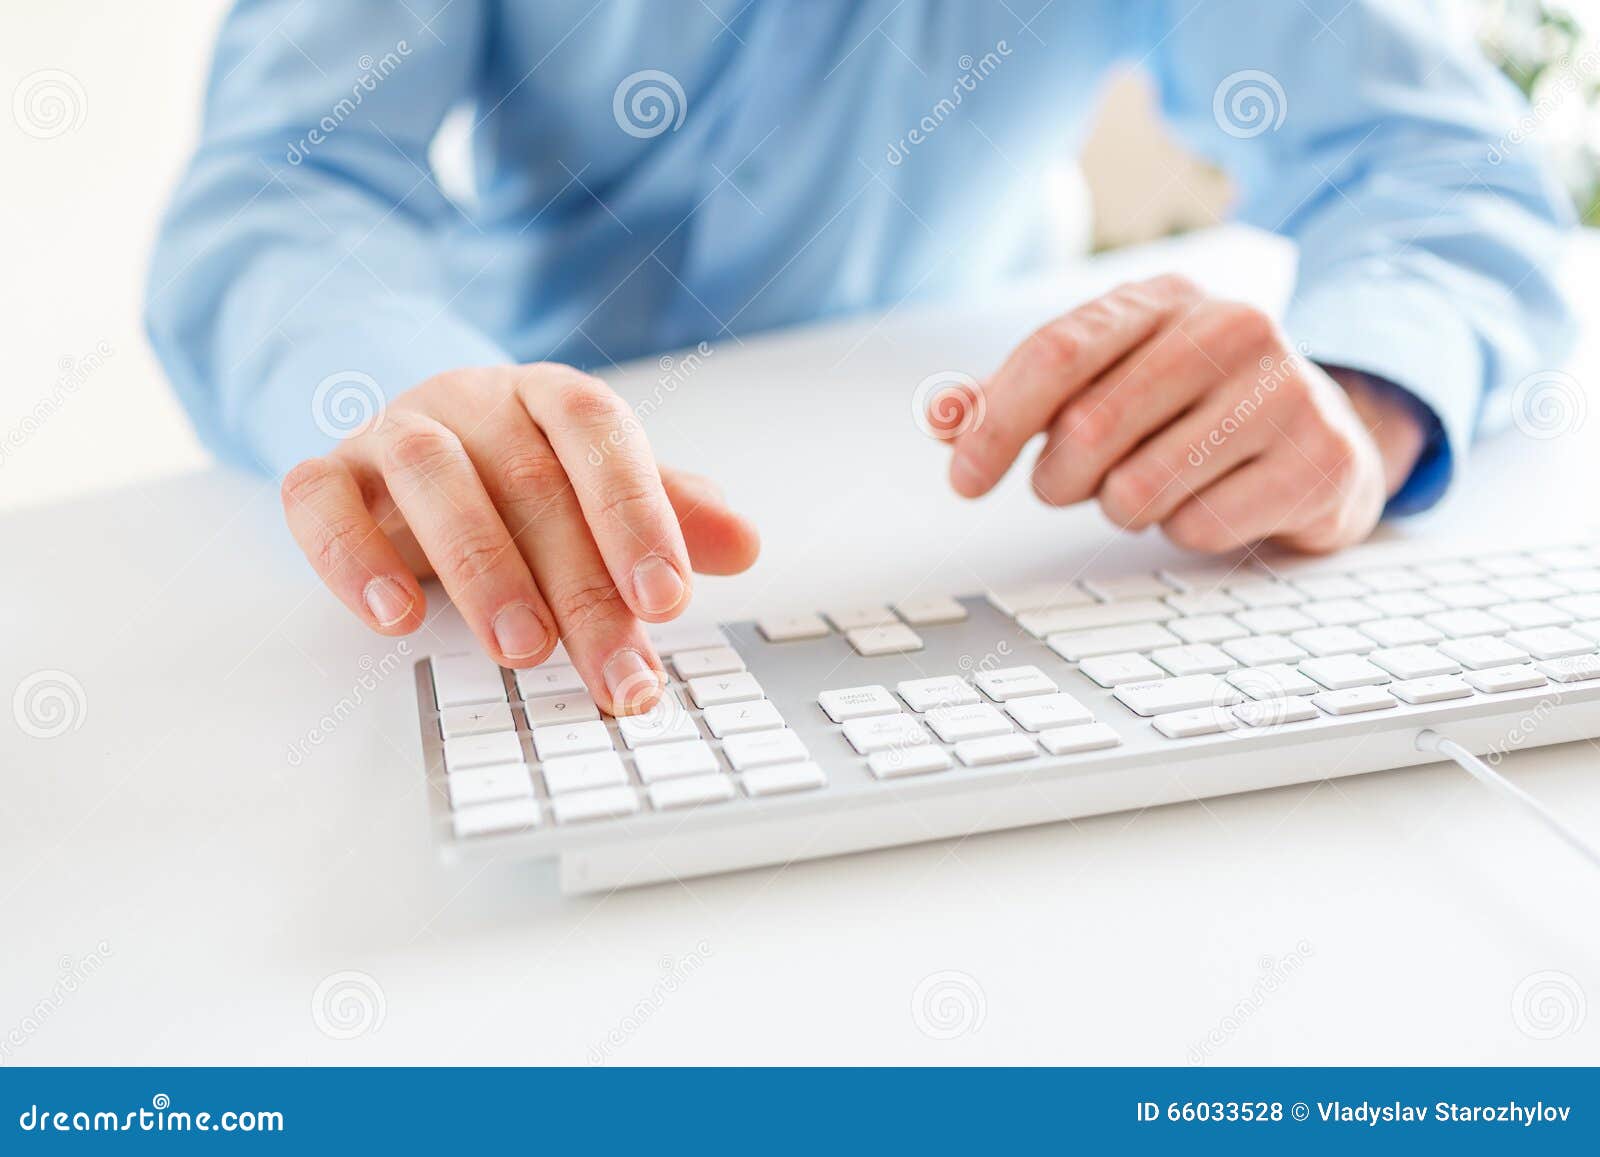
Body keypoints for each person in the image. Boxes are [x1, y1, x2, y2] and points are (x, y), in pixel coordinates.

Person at [146, 1, 1575, 714]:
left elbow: (1435, 162)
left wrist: (1369, 398)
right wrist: (402, 386)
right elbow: (281, 186)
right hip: (513, 530)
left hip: (974, 516)